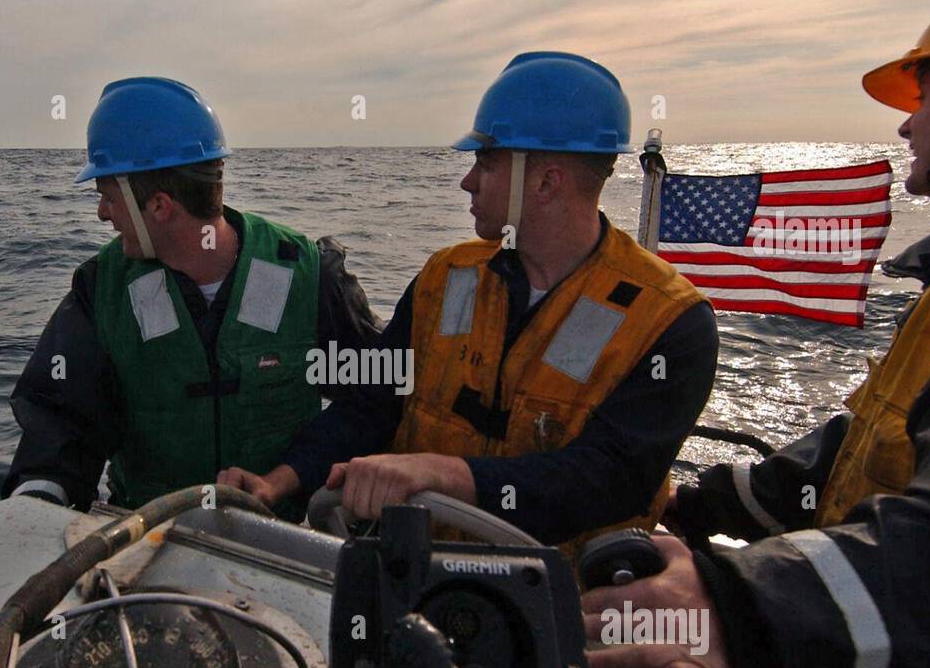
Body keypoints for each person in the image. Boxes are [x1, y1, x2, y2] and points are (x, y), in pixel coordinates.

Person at [582, 0, 930, 668]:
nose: (907, 120)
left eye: (926, 91)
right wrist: (705, 508)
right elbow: (857, 451)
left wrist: (734, 607)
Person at [220, 53, 718, 562]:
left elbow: (611, 478)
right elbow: (373, 402)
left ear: (546, 182)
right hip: (412, 571)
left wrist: (445, 474)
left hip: (567, 606)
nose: (468, 182)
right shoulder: (446, 276)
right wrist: (280, 480)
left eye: (485, 162)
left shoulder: (669, 321)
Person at [2, 77, 381, 518]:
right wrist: (37, 502)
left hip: (283, 542)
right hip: (146, 540)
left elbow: (371, 399)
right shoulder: (101, 290)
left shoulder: (308, 274)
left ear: (160, 206)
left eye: (108, 197)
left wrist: (287, 476)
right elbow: (60, 421)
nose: (102, 212)